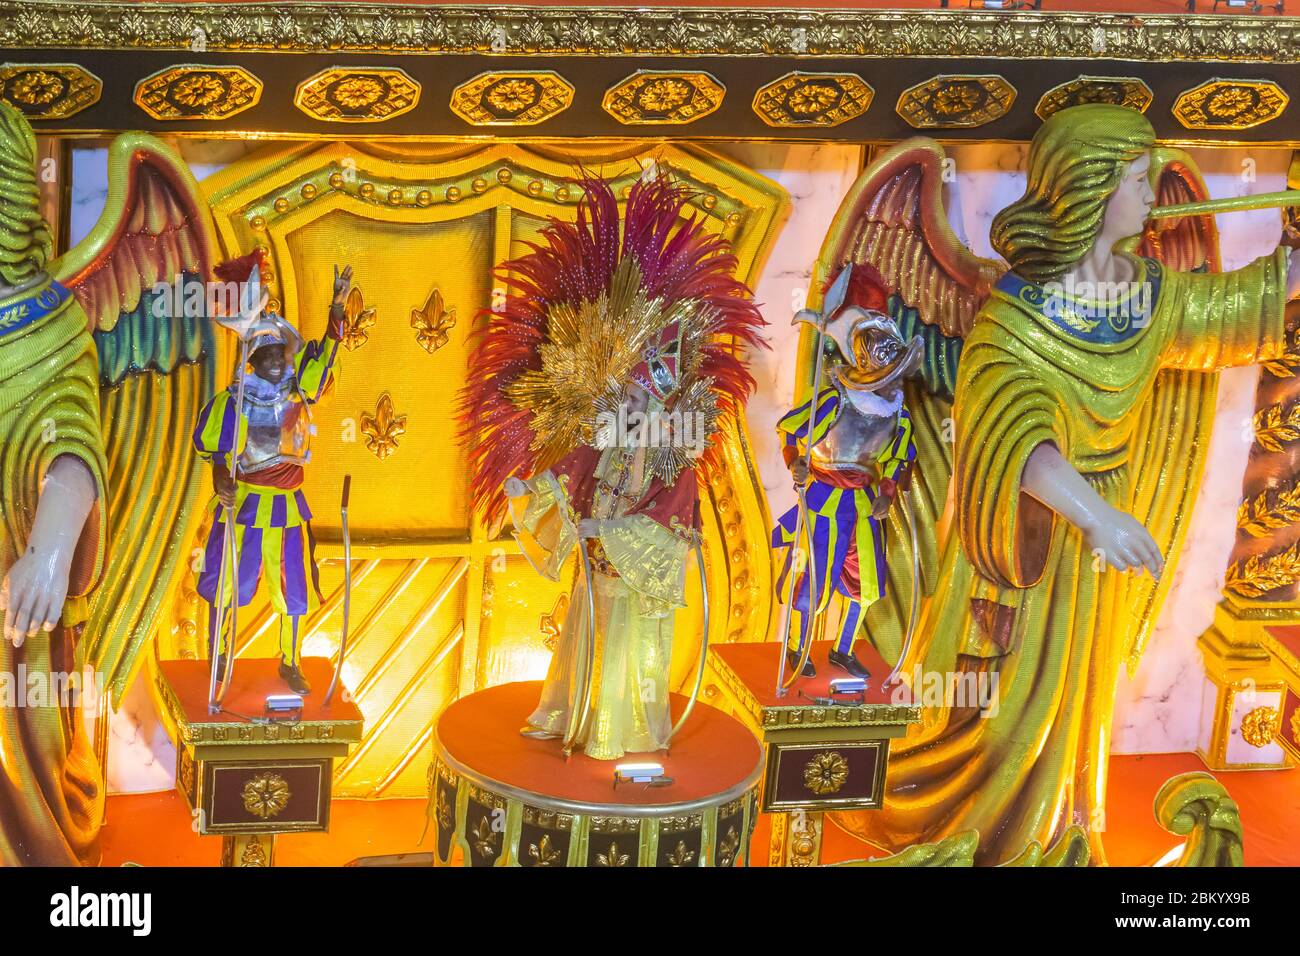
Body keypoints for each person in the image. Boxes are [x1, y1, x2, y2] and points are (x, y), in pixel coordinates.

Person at [856, 104, 1300, 864]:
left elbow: (1234, 310)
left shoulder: (1150, 294)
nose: (1152, 197)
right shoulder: (1015, 319)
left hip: (1097, 546)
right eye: (1135, 180)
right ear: (1089, 191)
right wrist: (1097, 517)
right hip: (1021, 542)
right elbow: (1013, 436)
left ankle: (1060, 826)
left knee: (1078, 700)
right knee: (1005, 703)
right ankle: (980, 832)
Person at [193, 251, 351, 695]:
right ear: (253, 358)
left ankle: (290, 660)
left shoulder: (300, 391)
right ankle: (218, 658)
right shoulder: (234, 400)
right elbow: (215, 451)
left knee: (294, 589)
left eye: (282, 352)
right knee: (228, 584)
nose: (277, 361)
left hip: (287, 508)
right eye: (268, 355)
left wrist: (336, 311)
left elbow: (324, 361)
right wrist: (220, 477)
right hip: (242, 507)